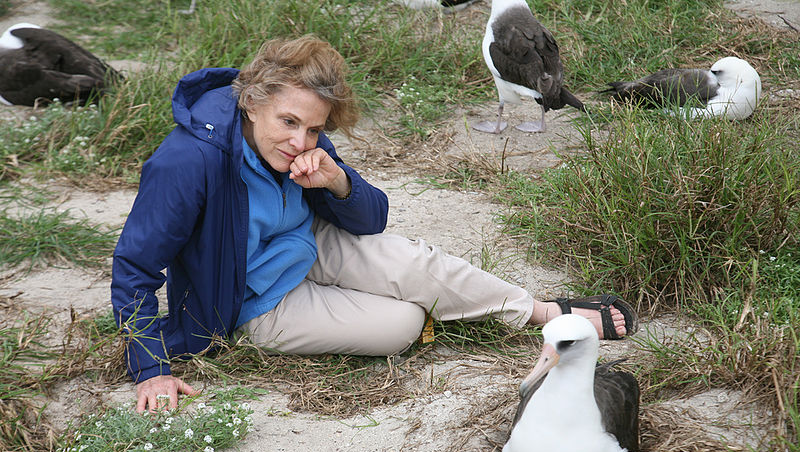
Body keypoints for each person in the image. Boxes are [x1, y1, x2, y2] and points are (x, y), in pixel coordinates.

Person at [111, 35, 638, 414]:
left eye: (313, 128)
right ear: (251, 103)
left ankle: (543, 313)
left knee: (414, 262)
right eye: (288, 123)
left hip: (308, 243)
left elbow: (372, 219)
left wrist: (337, 182)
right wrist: (150, 366)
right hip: (252, 297)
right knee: (402, 324)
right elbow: (135, 264)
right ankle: (438, 313)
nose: (300, 141)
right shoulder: (188, 162)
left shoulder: (310, 140)